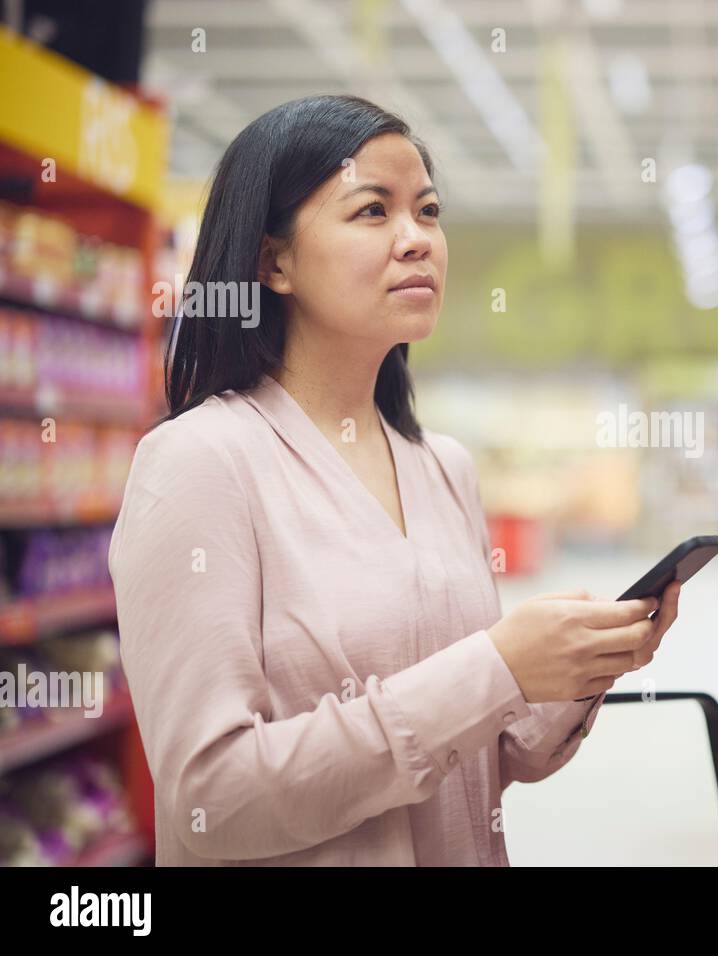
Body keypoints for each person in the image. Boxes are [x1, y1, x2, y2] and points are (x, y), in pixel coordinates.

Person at [108, 94, 682, 866]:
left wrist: (581, 671)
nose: (417, 241)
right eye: (372, 211)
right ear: (271, 261)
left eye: (429, 210)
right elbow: (215, 799)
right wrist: (495, 666)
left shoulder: (443, 468)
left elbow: (489, 760)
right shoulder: (200, 466)